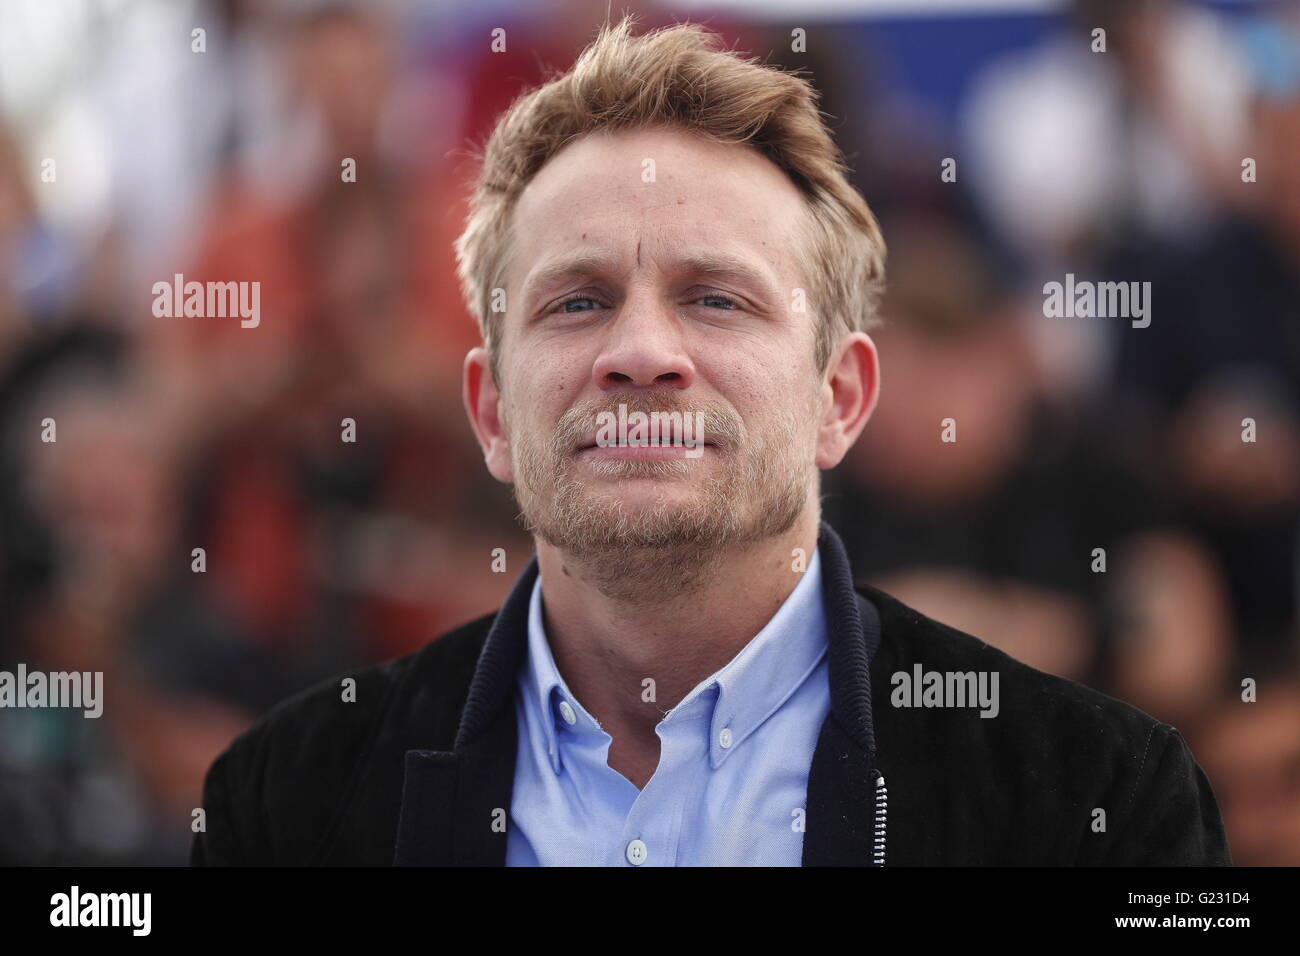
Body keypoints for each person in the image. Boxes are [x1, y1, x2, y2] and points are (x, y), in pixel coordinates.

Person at [192, 17, 1229, 866]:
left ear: (840, 398)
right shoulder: (285, 806)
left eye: (717, 298)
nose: (641, 351)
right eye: (579, 300)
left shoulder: (1100, 802)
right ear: (492, 411)